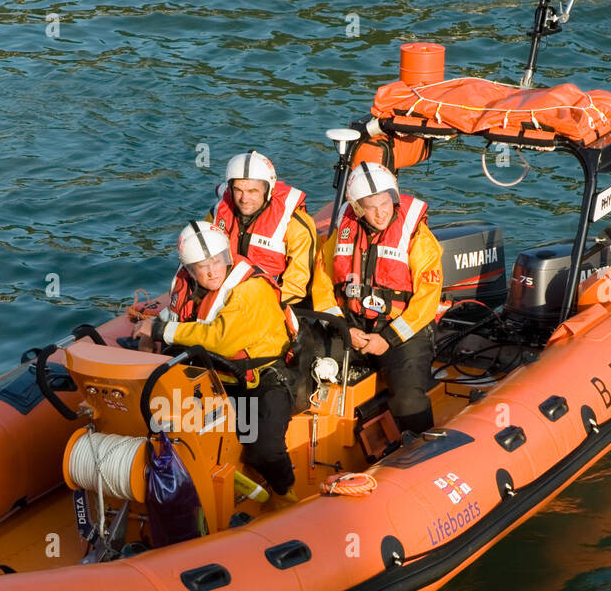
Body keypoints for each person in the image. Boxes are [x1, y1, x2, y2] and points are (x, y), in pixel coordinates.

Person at [133, 221, 297, 496]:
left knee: (264, 449)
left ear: (227, 257)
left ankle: (286, 495)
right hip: (216, 376)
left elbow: (222, 339)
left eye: (216, 261)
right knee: (177, 433)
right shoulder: (187, 284)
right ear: (190, 269)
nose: (211, 271)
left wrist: (162, 331)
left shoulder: (250, 289)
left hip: (261, 378)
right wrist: (151, 331)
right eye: (202, 266)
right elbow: (178, 315)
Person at [310, 162, 442, 434]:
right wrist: (343, 328)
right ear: (358, 208)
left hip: (404, 330)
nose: (380, 213)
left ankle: (424, 446)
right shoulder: (343, 229)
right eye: (371, 206)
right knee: (306, 363)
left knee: (408, 400)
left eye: (385, 203)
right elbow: (323, 280)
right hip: (353, 325)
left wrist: (388, 339)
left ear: (393, 197)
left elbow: (427, 299)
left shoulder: (416, 234)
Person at [207, 150, 319, 311]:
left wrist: (249, 306)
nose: (244, 199)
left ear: (268, 190)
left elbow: (296, 288)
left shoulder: (296, 224)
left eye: (253, 191)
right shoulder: (217, 214)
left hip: (271, 306)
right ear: (230, 189)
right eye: (238, 190)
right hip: (224, 298)